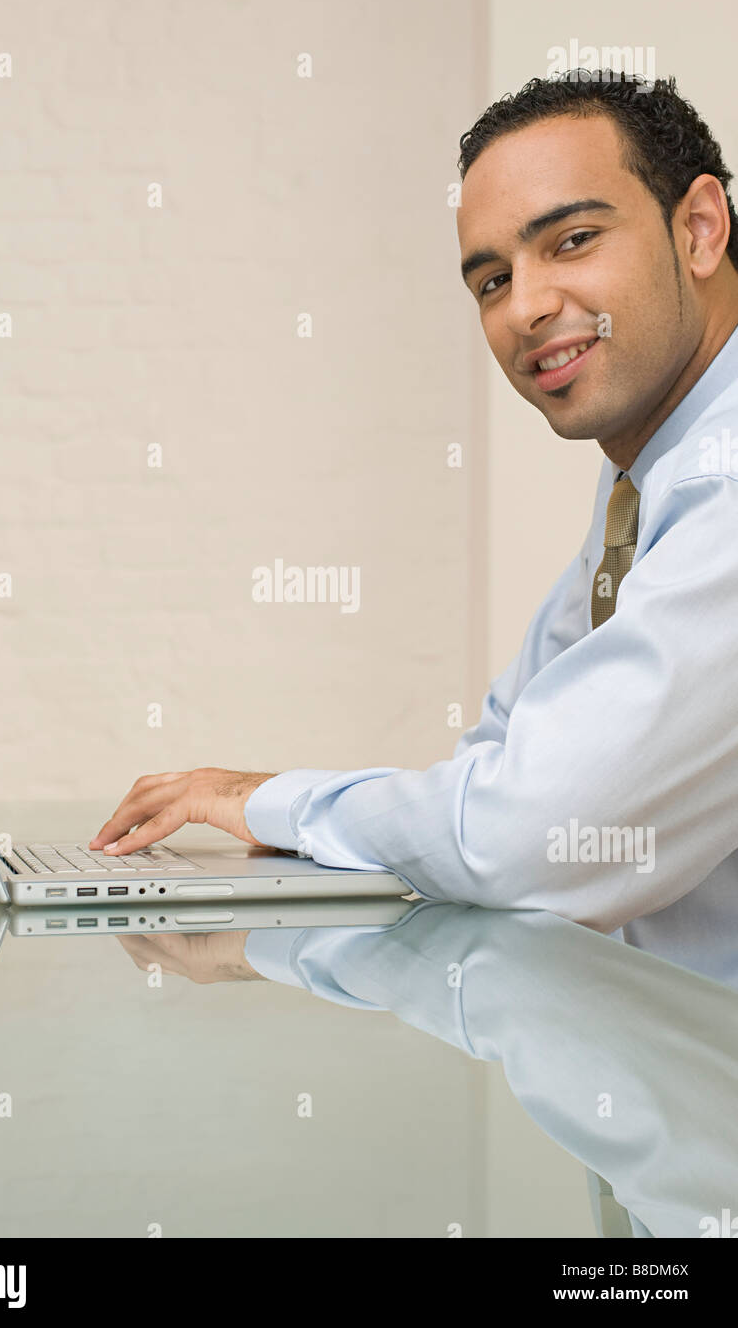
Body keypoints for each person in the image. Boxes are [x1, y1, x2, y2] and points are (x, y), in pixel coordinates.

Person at [91, 71, 738, 989]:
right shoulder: (651, 467)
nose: (525, 307)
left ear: (697, 229)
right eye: (491, 279)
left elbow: (534, 835)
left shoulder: (722, 477)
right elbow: (504, 759)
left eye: (574, 240)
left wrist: (263, 802)